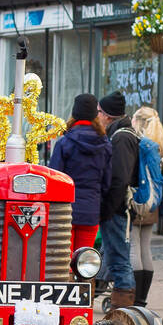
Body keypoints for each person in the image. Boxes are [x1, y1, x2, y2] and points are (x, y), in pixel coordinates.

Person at [48, 93, 112, 271]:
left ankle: (63, 296)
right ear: (94, 115)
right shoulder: (105, 145)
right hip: (91, 210)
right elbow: (107, 183)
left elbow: (55, 178)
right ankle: (84, 296)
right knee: (84, 263)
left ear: (74, 114)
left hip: (65, 211)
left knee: (62, 263)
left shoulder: (64, 143)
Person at [97, 91, 139, 307]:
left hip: (117, 208)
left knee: (119, 260)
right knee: (111, 255)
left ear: (107, 115)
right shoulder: (121, 134)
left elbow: (119, 178)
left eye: (99, 112)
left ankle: (122, 307)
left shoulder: (121, 137)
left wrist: (107, 210)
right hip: (116, 207)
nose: (97, 117)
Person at [129, 105, 163, 306]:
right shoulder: (157, 143)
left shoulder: (140, 144)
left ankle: (134, 298)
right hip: (153, 203)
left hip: (138, 200)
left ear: (138, 121)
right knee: (145, 248)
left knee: (134, 248)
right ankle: (142, 299)